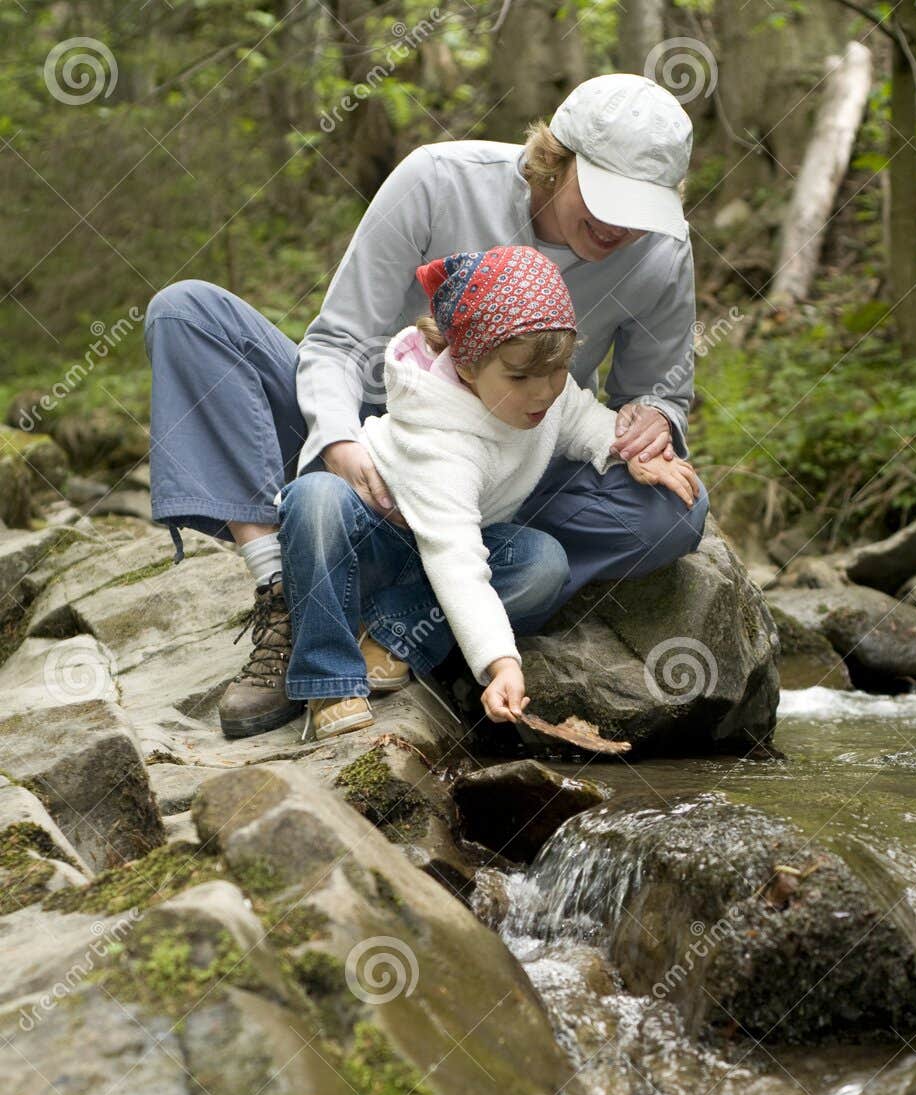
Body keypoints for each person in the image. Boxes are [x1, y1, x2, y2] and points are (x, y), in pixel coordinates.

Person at [144, 72, 709, 739]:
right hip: (375, 432)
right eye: (607, 196)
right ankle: (282, 588)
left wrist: (652, 423)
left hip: (508, 457)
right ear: (556, 160)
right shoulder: (438, 180)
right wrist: (337, 442)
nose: (619, 226)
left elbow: (654, 394)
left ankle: (413, 611)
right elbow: (337, 341)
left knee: (676, 511)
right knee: (186, 312)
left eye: (640, 208)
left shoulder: (662, 255)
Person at [279, 246, 701, 741]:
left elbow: (584, 421)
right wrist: (500, 663)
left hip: (434, 550)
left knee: (541, 562)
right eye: (521, 376)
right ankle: (328, 678)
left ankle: (389, 633)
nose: (543, 391)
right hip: (371, 543)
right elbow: (457, 561)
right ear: (467, 365)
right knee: (315, 499)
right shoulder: (442, 441)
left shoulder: (542, 392)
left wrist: (633, 451)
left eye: (559, 368)